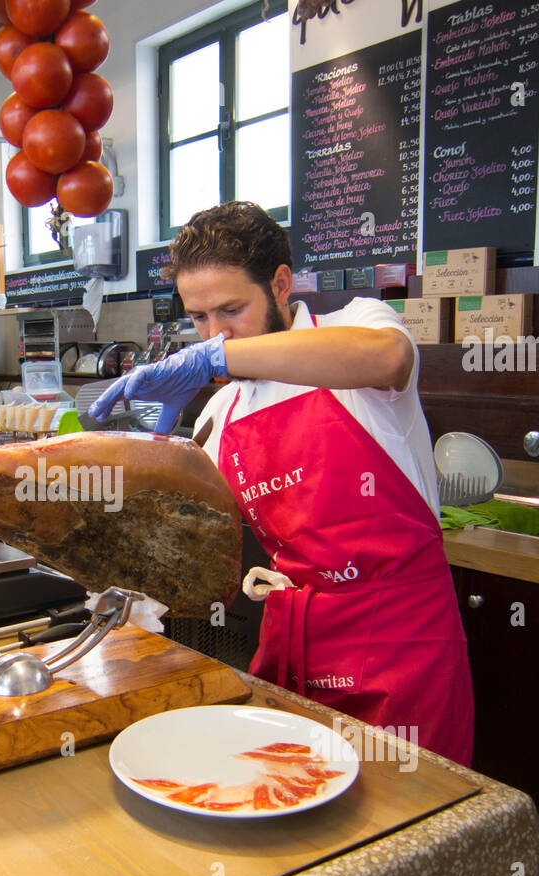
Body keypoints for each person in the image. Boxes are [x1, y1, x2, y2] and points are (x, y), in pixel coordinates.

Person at [91, 201, 473, 764]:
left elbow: (389, 358)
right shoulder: (223, 412)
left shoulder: (360, 326)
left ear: (281, 283)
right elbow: (185, 533)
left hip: (400, 644)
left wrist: (215, 355)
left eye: (231, 310)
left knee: (407, 822)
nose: (214, 334)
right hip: (294, 642)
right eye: (199, 319)